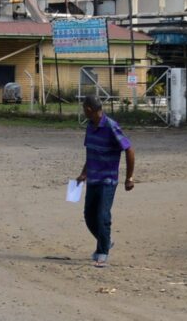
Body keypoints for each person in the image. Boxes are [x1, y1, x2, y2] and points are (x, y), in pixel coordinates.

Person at [76, 95, 135, 268]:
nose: (83, 112)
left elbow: (129, 150)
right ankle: (106, 241)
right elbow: (91, 152)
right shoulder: (89, 126)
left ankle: (102, 252)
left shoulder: (111, 126)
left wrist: (129, 178)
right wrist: (83, 174)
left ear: (88, 109)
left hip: (108, 180)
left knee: (102, 215)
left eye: (83, 109)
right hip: (93, 178)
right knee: (89, 216)